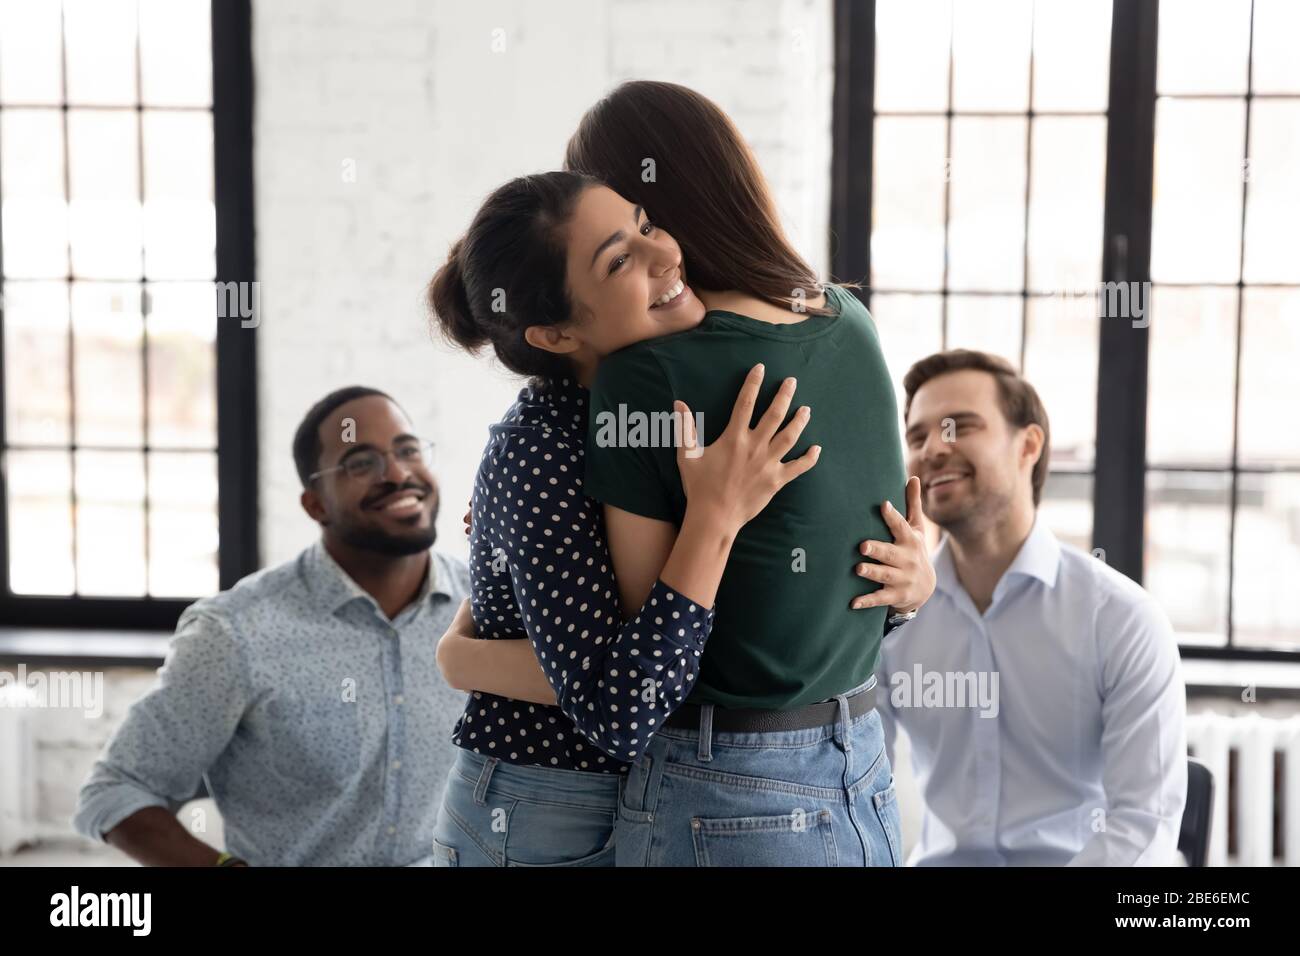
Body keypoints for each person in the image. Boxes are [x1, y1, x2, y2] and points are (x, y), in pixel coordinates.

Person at [559, 80, 929, 867]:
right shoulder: (847, 320)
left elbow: (642, 660)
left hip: (723, 785)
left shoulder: (649, 373)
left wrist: (461, 655)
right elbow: (849, 575)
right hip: (863, 765)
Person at [73, 387, 470, 866]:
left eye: (407, 450)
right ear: (315, 505)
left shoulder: (489, 608)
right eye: (361, 462)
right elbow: (116, 791)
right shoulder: (236, 632)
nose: (399, 474)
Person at [876, 349, 1187, 865]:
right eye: (916, 436)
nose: (932, 449)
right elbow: (858, 789)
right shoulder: (892, 623)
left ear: (1029, 444)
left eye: (957, 427)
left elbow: (1144, 826)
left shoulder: (1120, 619)